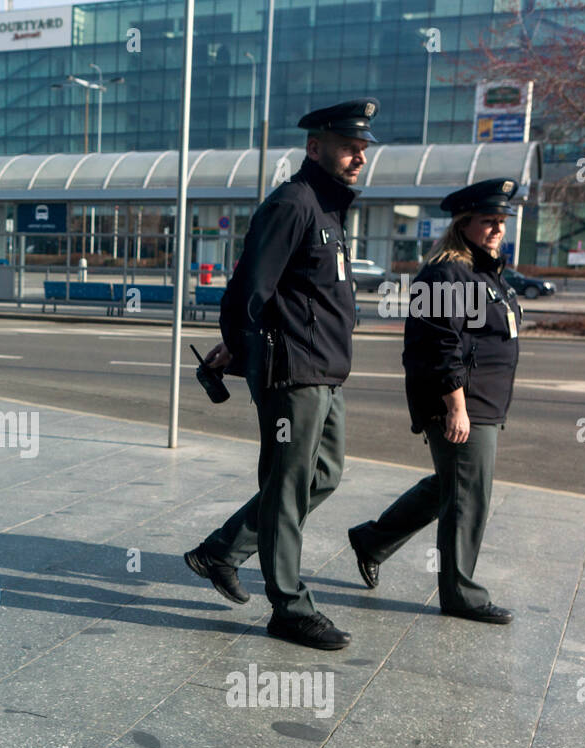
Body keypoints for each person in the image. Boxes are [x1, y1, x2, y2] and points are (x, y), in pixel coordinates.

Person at [184, 99, 381, 651]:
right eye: (348, 146)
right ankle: (289, 607)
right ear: (315, 148)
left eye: (363, 148)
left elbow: (294, 295)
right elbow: (248, 293)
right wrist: (248, 359)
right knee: (289, 486)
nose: (358, 156)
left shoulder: (329, 210)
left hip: (324, 372)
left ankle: (223, 551)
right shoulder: (293, 204)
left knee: (323, 476)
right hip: (293, 374)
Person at [346, 180, 521, 624]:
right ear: (464, 224)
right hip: (463, 403)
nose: (497, 228)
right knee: (468, 496)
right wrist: (456, 406)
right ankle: (461, 593)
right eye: (488, 221)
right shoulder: (447, 274)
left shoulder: (486, 271)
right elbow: (440, 346)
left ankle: (373, 541)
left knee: (450, 487)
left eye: (501, 221)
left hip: (484, 401)